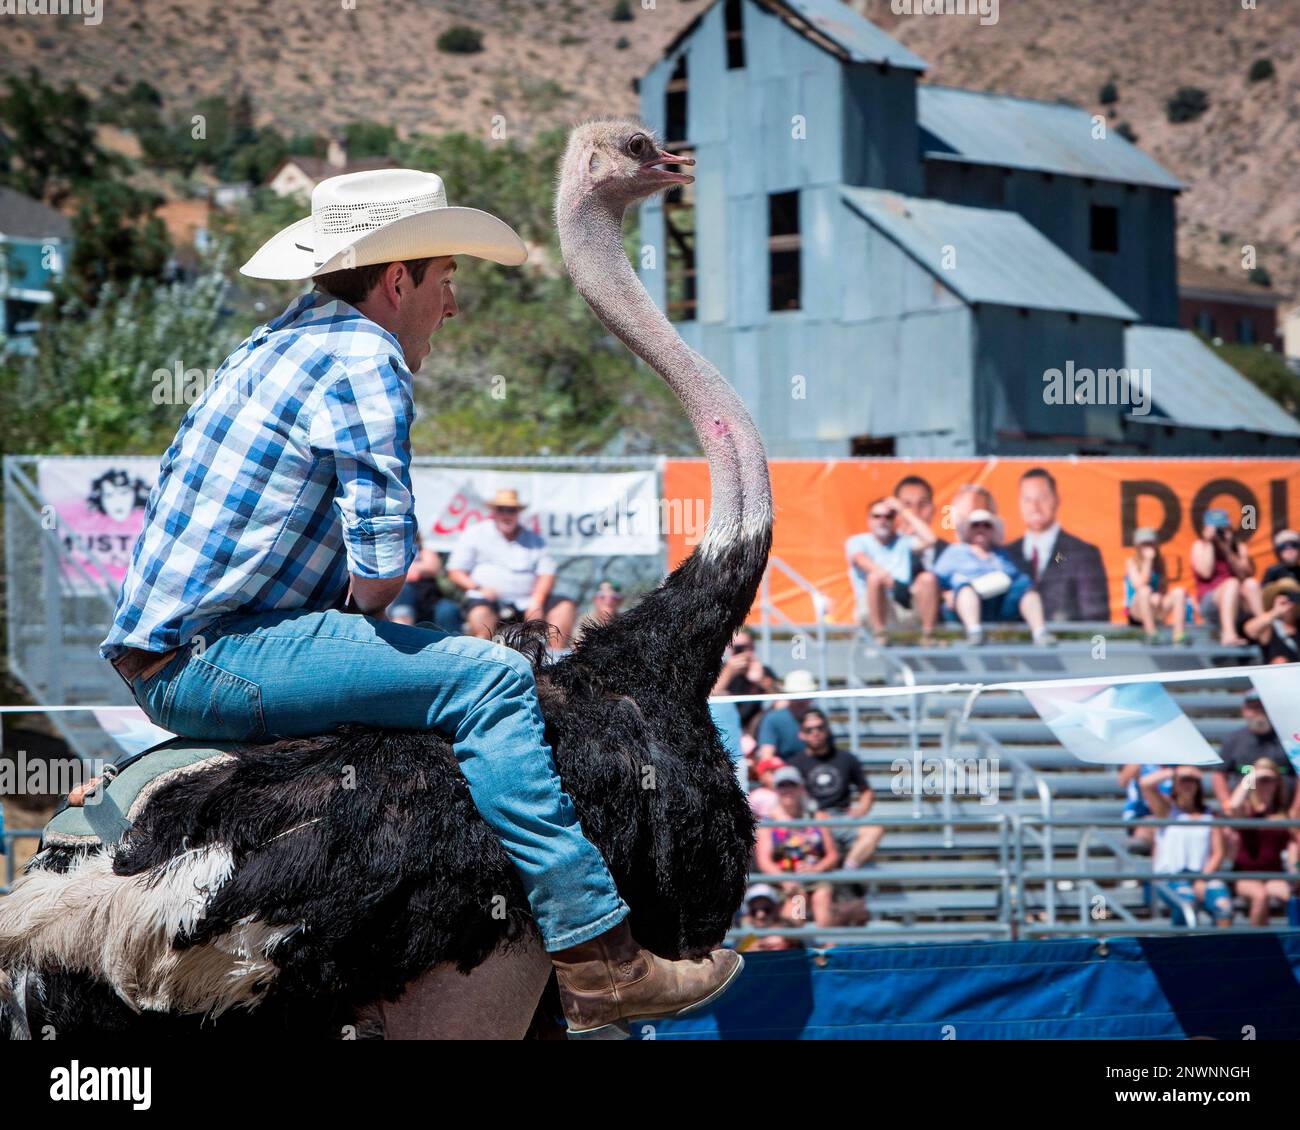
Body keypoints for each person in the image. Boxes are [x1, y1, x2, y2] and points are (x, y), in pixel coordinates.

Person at [98, 168, 738, 1031]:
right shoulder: (365, 357)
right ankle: (599, 956)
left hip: (177, 652)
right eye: (447, 280)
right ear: (398, 281)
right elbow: (383, 570)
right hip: (222, 656)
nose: (453, 304)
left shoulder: (280, 340)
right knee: (487, 680)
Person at [446, 488, 579, 649]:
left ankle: (555, 662)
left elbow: (547, 573)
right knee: (479, 613)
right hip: (489, 600)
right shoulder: (475, 534)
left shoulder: (534, 539)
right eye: (502, 509)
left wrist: (537, 599)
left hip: (527, 602)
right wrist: (478, 588)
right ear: (494, 512)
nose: (506, 514)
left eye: (511, 510)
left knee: (564, 607)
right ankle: (484, 661)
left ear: (518, 513)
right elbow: (455, 571)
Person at [933, 508, 1055, 647]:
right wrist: (945, 594)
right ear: (968, 529)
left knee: (1026, 586)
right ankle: (974, 632)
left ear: (992, 530)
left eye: (986, 525)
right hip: (964, 607)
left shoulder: (1001, 554)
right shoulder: (956, 551)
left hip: (999, 604)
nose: (981, 529)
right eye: (976, 525)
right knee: (965, 589)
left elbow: (1015, 579)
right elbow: (935, 580)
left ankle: (1040, 633)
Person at [1006, 467, 1110, 622]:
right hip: (1013, 644)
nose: (1034, 507)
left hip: (1066, 643)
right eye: (1027, 499)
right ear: (1019, 503)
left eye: (1042, 498)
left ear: (1056, 499)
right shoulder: (1007, 554)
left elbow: (1095, 617)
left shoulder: (1080, 553)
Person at [788, 708, 882, 868]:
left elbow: (866, 791)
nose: (815, 733)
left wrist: (861, 810)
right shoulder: (794, 764)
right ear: (801, 734)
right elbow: (788, 797)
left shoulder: (846, 758)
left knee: (874, 830)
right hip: (810, 823)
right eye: (809, 730)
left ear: (828, 729)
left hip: (841, 818)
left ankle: (847, 870)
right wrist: (811, 815)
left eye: (820, 728)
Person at [1140, 767, 1233, 926]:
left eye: (1192, 780)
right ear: (1175, 784)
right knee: (1187, 904)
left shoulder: (1209, 815)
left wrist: (1203, 878)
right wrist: (1175, 772)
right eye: (1183, 780)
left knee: (1224, 907)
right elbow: (1145, 784)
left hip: (1203, 874)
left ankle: (1221, 948)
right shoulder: (1167, 811)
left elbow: (1219, 852)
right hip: (1171, 875)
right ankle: (1181, 946)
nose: (1188, 784)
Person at [845, 495, 940, 646]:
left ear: (894, 519)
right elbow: (862, 561)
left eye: (888, 516)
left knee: (928, 578)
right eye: (877, 516)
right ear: (869, 520)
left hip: (901, 605)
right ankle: (880, 634)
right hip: (872, 607)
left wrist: (904, 511)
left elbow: (931, 539)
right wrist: (894, 584)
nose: (882, 520)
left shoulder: (903, 541)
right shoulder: (857, 541)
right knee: (874, 578)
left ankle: (928, 636)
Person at [754, 766, 840, 928]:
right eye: (782, 785)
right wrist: (785, 879)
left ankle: (827, 947)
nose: (787, 790)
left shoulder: (817, 817)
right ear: (776, 790)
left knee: (822, 895)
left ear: (800, 788)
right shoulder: (767, 823)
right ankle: (794, 941)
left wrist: (816, 869)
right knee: (798, 899)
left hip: (815, 876)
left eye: (791, 785)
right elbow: (764, 860)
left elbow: (832, 855)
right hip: (784, 878)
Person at [1226, 757, 1297, 926]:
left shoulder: (1283, 814)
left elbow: (1293, 848)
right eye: (1261, 780)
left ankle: (1295, 944)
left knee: (1293, 899)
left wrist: (1295, 872)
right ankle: (1257, 944)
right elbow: (1233, 805)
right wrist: (1252, 775)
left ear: (1277, 782)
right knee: (1260, 896)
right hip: (1245, 875)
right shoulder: (1246, 809)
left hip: (1273, 874)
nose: (1265, 784)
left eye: (1270, 779)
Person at [1213, 692, 1297, 816]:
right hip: (1244, 813)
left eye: (1262, 706)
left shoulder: (1288, 739)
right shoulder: (1234, 739)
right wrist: (1227, 804)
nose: (1258, 711)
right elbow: (1219, 774)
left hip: (1283, 814)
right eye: (1253, 707)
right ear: (1244, 710)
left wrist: (1296, 810)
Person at [1190, 508, 1262, 646]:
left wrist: (1227, 549)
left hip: (1239, 601)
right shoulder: (1200, 546)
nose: (1221, 533)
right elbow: (1205, 572)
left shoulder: (1238, 547)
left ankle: (1264, 627)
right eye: (1218, 530)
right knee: (1232, 583)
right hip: (1211, 602)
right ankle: (1229, 634)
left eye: (1224, 529)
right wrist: (1211, 543)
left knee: (1251, 584)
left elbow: (1245, 574)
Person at [386, 527, 463, 634]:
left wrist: (411, 569)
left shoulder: (424, 551)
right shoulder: (390, 554)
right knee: (405, 590)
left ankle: (453, 644)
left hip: (430, 599)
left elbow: (433, 567)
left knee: (448, 610)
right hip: (403, 597)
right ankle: (401, 633)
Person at [1123, 527, 1188, 645]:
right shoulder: (1131, 562)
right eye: (1144, 544)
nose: (1148, 547)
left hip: (1154, 608)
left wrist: (1159, 596)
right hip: (1136, 612)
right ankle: (1151, 633)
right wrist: (1148, 561)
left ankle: (1179, 635)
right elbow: (1139, 585)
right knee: (1145, 591)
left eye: (1150, 544)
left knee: (1179, 592)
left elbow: (1163, 589)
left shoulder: (1160, 563)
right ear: (1137, 546)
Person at [755, 669, 819, 761]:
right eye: (796, 696)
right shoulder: (773, 719)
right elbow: (766, 758)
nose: (800, 700)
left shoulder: (818, 718)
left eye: (805, 695)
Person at [894, 474, 949, 575]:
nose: (915, 512)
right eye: (907, 505)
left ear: (933, 508)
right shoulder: (884, 547)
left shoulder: (948, 551)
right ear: (896, 511)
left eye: (923, 504)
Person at [1244, 577, 1300, 664]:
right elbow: (1250, 629)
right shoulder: (1270, 627)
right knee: (1280, 661)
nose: (1288, 599)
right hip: (1276, 673)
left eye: (1291, 595)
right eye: (1282, 594)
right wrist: (1275, 612)